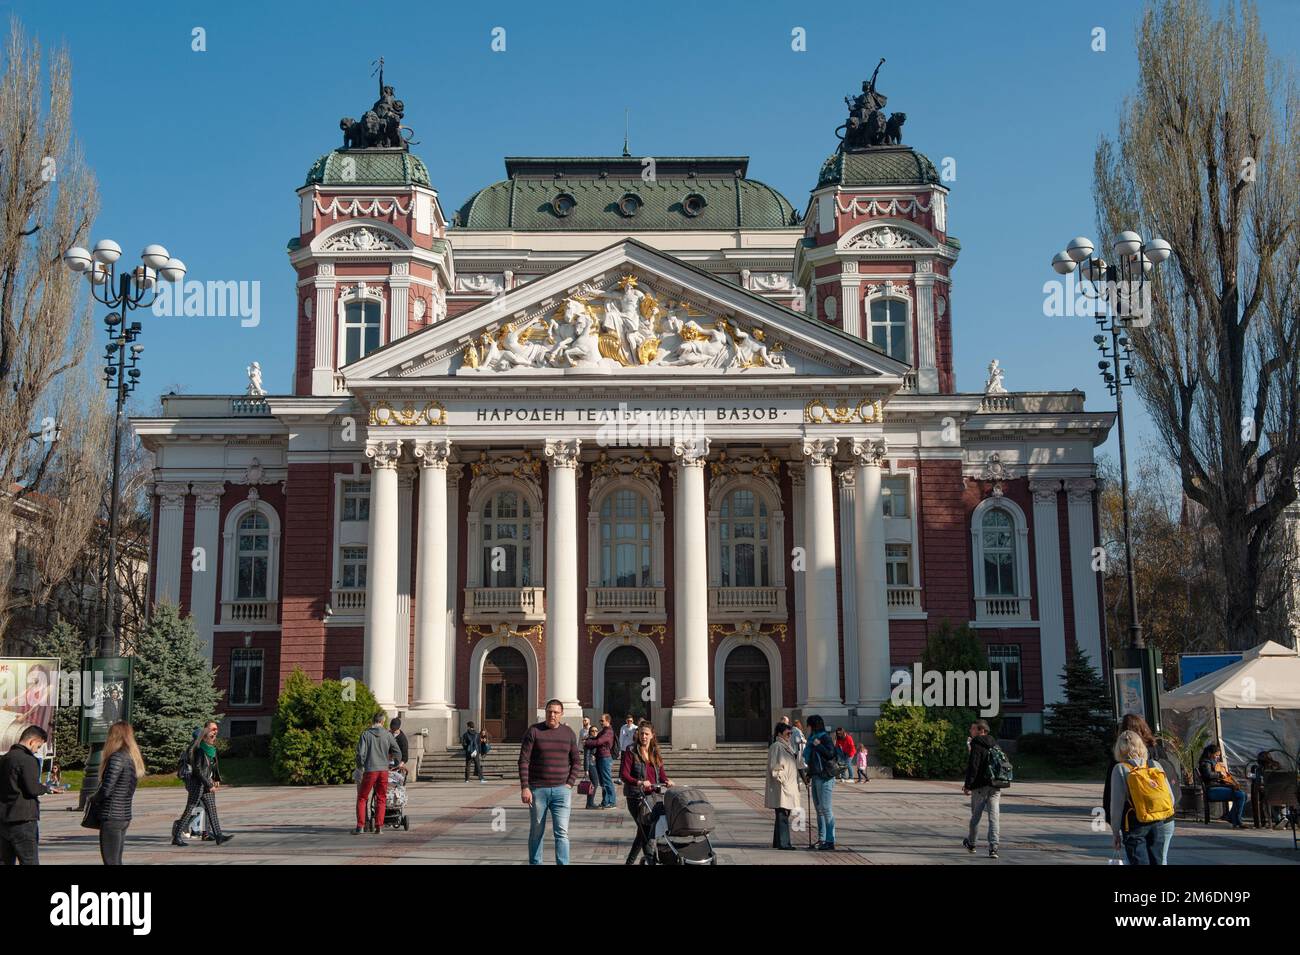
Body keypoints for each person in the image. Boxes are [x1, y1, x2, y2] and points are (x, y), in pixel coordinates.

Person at [1102, 714, 1176, 862]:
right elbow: (1171, 798)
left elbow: (1116, 805)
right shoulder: (1155, 765)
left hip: (1134, 823)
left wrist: (1115, 832)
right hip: (1160, 822)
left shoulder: (1120, 769)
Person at [519, 699, 581, 865]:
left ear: (561, 714)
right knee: (536, 832)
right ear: (545, 712)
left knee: (562, 833)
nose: (552, 715)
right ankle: (536, 863)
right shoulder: (534, 731)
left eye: (555, 712)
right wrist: (525, 787)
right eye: (549, 711)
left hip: (562, 791)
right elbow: (524, 760)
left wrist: (570, 784)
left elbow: (576, 760)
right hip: (538, 790)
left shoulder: (568, 733)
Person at [0, 725, 60, 864]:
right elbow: (32, 788)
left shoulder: (5, 759)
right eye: (38, 746)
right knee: (29, 860)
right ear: (32, 741)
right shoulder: (28, 760)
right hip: (23, 819)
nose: (37, 750)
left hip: (3, 819)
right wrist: (46, 788)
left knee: (5, 860)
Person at [172, 721, 233, 847]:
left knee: (212, 809)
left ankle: (219, 836)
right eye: (212, 733)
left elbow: (213, 766)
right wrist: (208, 784)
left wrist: (215, 779)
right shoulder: (199, 749)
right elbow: (198, 770)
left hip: (206, 783)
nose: (214, 736)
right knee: (190, 809)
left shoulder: (211, 750)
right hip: (198, 784)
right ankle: (177, 836)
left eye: (215, 733)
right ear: (204, 736)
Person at [91, 721, 143, 865]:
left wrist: (93, 798)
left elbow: (107, 788)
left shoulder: (117, 757)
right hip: (124, 815)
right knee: (116, 860)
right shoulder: (131, 757)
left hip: (112, 814)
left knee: (111, 861)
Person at [620, 721, 673, 864]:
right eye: (641, 733)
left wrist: (667, 781)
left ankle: (629, 862)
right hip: (636, 797)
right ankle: (650, 860)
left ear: (652, 735)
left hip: (653, 796)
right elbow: (624, 775)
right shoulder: (631, 750)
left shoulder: (655, 752)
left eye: (646, 734)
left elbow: (660, 773)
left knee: (642, 832)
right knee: (646, 830)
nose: (643, 736)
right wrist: (639, 782)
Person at [355, 711, 404, 834]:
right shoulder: (388, 735)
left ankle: (360, 826)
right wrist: (397, 763)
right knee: (381, 798)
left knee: (362, 797)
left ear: (373, 721)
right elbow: (397, 751)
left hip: (370, 769)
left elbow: (361, 754)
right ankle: (379, 827)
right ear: (382, 722)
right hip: (383, 770)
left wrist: (360, 766)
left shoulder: (365, 734)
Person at [962, 719, 1001, 859]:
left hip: (980, 787)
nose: (970, 731)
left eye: (973, 729)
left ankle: (972, 844)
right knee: (994, 817)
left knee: (975, 818)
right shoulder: (994, 743)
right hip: (996, 786)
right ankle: (993, 848)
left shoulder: (976, 743)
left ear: (981, 730)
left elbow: (974, 767)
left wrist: (967, 785)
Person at [803, 715, 838, 850]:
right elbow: (812, 760)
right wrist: (808, 774)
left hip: (825, 777)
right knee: (819, 809)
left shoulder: (825, 738)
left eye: (809, 725)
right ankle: (821, 838)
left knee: (826, 808)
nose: (807, 728)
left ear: (813, 725)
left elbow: (831, 754)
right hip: (816, 775)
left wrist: (819, 746)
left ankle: (830, 840)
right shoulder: (812, 739)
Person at [765, 721, 801, 850]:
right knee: (782, 815)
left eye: (791, 733)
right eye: (788, 733)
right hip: (782, 787)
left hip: (789, 786)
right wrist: (783, 780)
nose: (790, 735)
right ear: (780, 733)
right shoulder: (776, 746)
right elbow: (774, 766)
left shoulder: (787, 746)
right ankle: (784, 843)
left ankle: (778, 841)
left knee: (783, 814)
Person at [1198, 743, 1247, 829]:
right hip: (1212, 790)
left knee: (1244, 794)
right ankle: (1236, 819)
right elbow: (1208, 775)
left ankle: (1231, 816)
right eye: (1216, 755)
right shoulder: (1206, 763)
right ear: (1210, 754)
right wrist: (1220, 774)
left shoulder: (1214, 762)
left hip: (1218, 787)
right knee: (1240, 795)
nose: (1217, 757)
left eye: (1218, 756)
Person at [583, 713, 617, 809]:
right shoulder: (603, 731)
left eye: (602, 721)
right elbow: (596, 739)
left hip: (605, 758)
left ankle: (612, 801)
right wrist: (589, 740)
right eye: (600, 721)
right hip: (600, 757)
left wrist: (587, 742)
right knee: (602, 781)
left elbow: (598, 741)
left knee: (607, 780)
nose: (600, 722)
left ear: (608, 721)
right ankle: (605, 801)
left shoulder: (608, 732)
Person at [584, 725, 600, 809]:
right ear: (590, 732)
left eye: (596, 731)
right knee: (594, 784)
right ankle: (590, 803)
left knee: (594, 784)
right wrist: (586, 769)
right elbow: (586, 756)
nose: (594, 732)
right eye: (593, 731)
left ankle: (589, 803)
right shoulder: (589, 741)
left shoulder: (595, 740)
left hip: (594, 764)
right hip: (591, 764)